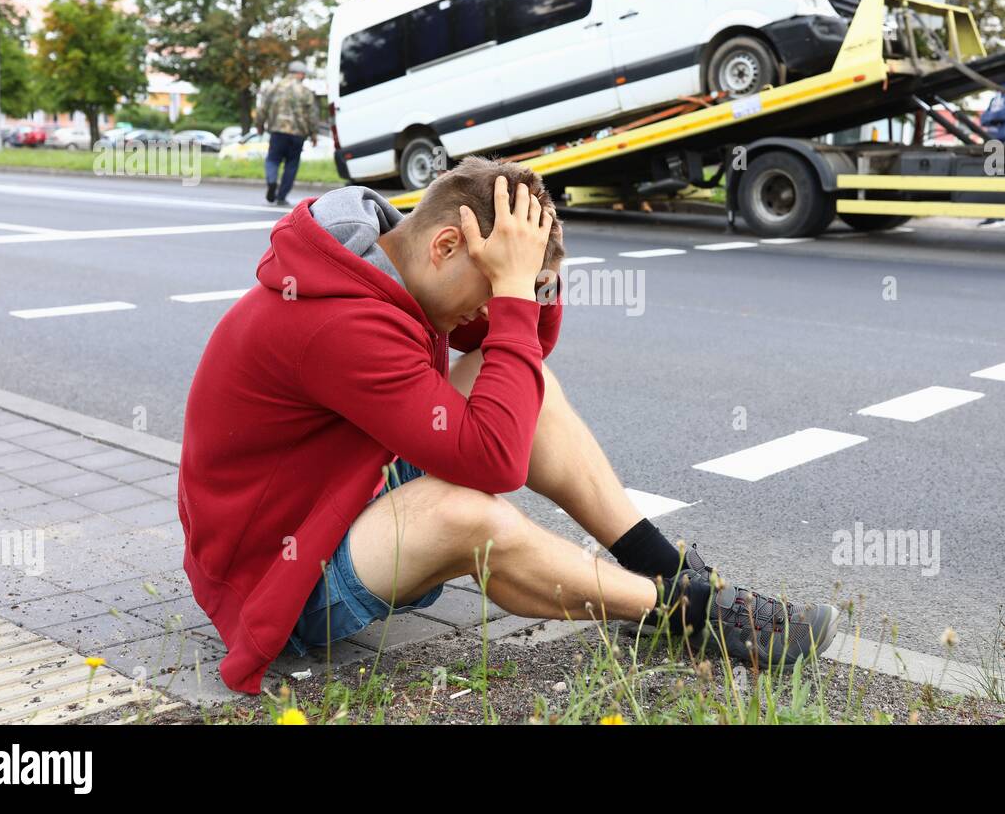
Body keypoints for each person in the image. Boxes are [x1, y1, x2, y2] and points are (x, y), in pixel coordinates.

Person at [178, 156, 841, 695]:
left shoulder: (386, 263)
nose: (496, 304)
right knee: (467, 512)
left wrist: (536, 275)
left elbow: (523, 364)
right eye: (493, 283)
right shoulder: (339, 320)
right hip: (285, 580)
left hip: (335, 501)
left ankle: (667, 570)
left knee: (531, 388)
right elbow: (494, 462)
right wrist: (515, 295)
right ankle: (682, 616)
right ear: (445, 245)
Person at [255, 60, 319, 207]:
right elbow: (312, 115)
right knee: (291, 165)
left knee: (272, 159)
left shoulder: (273, 87)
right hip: (298, 134)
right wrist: (314, 134)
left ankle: (272, 182)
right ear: (300, 74)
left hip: (278, 131)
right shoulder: (305, 91)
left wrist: (259, 125)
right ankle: (281, 196)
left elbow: (262, 107)